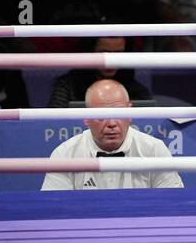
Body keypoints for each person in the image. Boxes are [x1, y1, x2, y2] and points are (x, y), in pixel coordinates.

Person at [41, 79, 183, 190]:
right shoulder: (64, 154)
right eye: (102, 115)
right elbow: (54, 209)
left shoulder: (154, 150)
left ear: (130, 113)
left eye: (118, 113)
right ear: (86, 117)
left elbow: (173, 204)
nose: (112, 123)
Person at [49, 37, 153, 107]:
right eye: (104, 52)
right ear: (90, 52)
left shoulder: (137, 90)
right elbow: (51, 123)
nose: (111, 60)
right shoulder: (67, 86)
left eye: (118, 53)